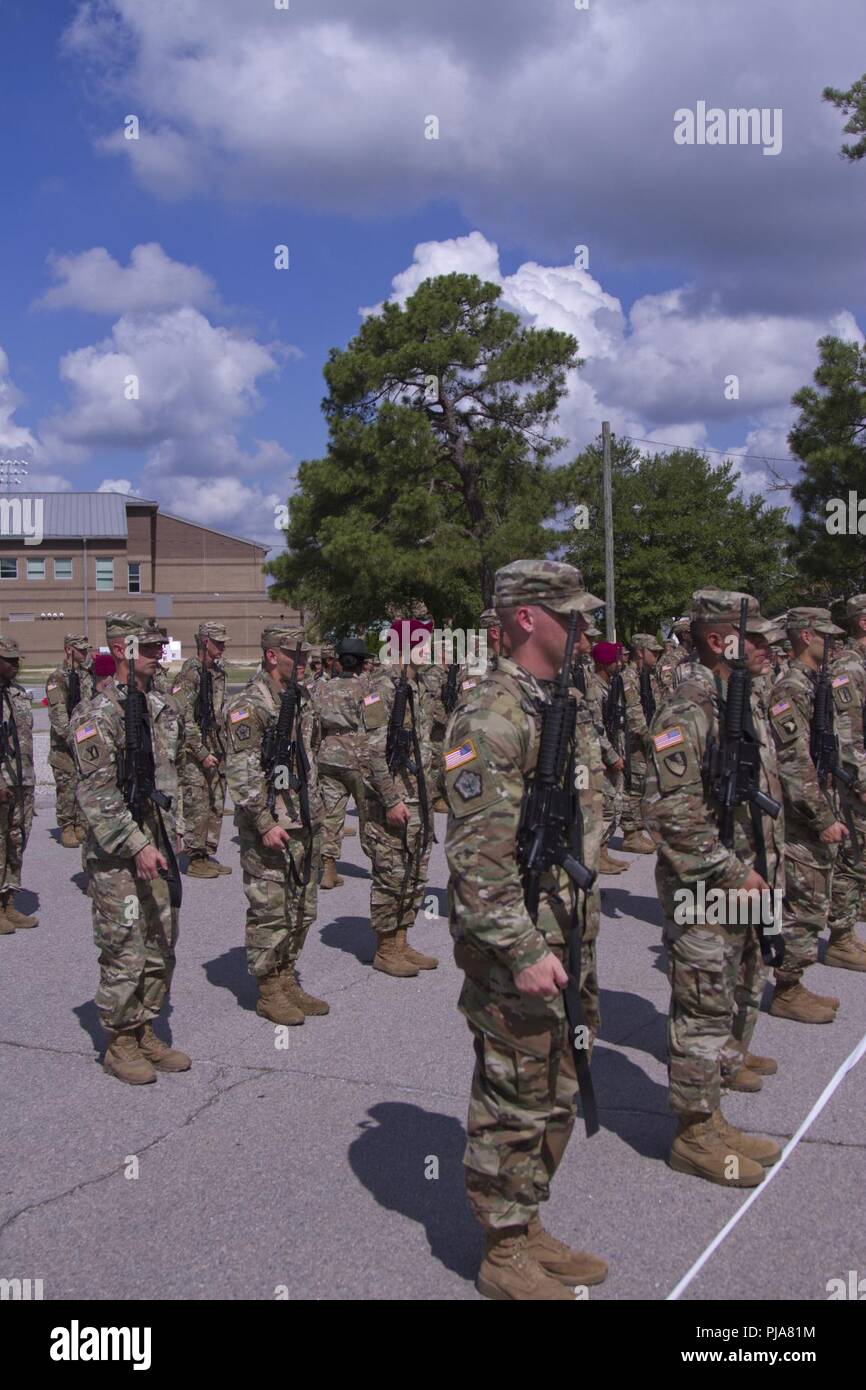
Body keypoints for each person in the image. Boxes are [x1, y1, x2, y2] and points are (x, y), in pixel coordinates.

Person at [444, 559, 607, 1301]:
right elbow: (476, 864)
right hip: (519, 945)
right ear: (526, 619)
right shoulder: (490, 717)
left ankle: (529, 1216)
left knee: (560, 1084)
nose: (585, 628)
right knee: (514, 1094)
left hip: (563, 932)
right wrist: (523, 948)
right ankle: (501, 1249)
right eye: (570, 615)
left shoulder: (556, 700)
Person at [643, 589, 783, 1185]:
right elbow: (669, 811)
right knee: (701, 1003)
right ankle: (694, 1134)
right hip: (707, 880)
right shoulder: (687, 707)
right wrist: (730, 870)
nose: (759, 646)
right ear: (714, 637)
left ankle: (714, 1112)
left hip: (744, 874)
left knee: (736, 987)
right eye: (747, 634)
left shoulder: (735, 699)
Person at [70, 613, 189, 1084]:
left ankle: (145, 1028)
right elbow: (97, 798)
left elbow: (167, 775)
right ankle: (120, 1040)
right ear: (120, 650)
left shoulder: (159, 706)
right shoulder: (95, 716)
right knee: (124, 947)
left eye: (162, 646)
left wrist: (172, 830)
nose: (159, 653)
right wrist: (137, 843)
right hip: (118, 854)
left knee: (162, 941)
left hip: (156, 843)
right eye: (150, 647)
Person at [225, 626, 328, 1025]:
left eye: (304, 657)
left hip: (304, 817)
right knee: (270, 908)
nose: (303, 664)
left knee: (302, 907)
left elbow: (309, 754)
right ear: (272, 656)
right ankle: (269, 988)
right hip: (268, 824)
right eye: (295, 657)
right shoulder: (248, 704)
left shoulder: (299, 699)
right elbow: (242, 772)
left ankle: (287, 977)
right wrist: (265, 822)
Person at [767, 608, 857, 1022]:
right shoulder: (791, 687)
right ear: (806, 636)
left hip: (819, 798)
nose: (833, 642)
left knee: (815, 893)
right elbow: (793, 760)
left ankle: (795, 980)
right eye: (826, 635)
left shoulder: (814, 682)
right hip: (801, 811)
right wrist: (822, 817)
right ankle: (786, 988)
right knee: (803, 900)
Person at [360, 621, 437, 977]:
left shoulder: (416, 685)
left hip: (418, 796)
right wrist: (391, 800)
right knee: (391, 872)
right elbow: (372, 753)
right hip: (392, 799)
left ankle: (402, 939)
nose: (428, 650)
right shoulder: (381, 686)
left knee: (415, 872)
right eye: (422, 644)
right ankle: (385, 947)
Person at [825, 594, 866, 970]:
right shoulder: (849, 668)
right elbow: (847, 734)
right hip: (854, 777)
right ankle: (840, 937)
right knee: (852, 857)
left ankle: (851, 920)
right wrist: (861, 780)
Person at [172, 622, 231, 879]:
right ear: (205, 642)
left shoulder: (218, 673)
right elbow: (184, 718)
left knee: (216, 801)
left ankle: (207, 851)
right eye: (218, 643)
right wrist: (200, 751)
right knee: (198, 801)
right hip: (194, 750)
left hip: (217, 746)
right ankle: (195, 857)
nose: (223, 648)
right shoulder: (189, 675)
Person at [312, 636, 370, 888]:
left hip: (328, 755)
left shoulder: (321, 688)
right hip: (358, 756)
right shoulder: (368, 688)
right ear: (360, 663)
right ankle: (380, 864)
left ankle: (327, 867)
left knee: (331, 814)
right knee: (369, 814)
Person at [0, 636, 37, 935]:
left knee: (16, 839)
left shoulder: (18, 694)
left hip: (22, 781)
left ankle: (7, 899)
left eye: (16, 659)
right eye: (8, 659)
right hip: (2, 782)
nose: (14, 664)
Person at [45, 633, 94, 848]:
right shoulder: (57, 678)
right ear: (68, 650)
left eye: (86, 649)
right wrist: (72, 738)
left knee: (85, 783)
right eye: (80, 649)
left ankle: (82, 823)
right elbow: (58, 716)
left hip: (85, 739)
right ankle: (67, 825)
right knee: (67, 784)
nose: (85, 653)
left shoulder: (87, 676)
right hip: (64, 745)